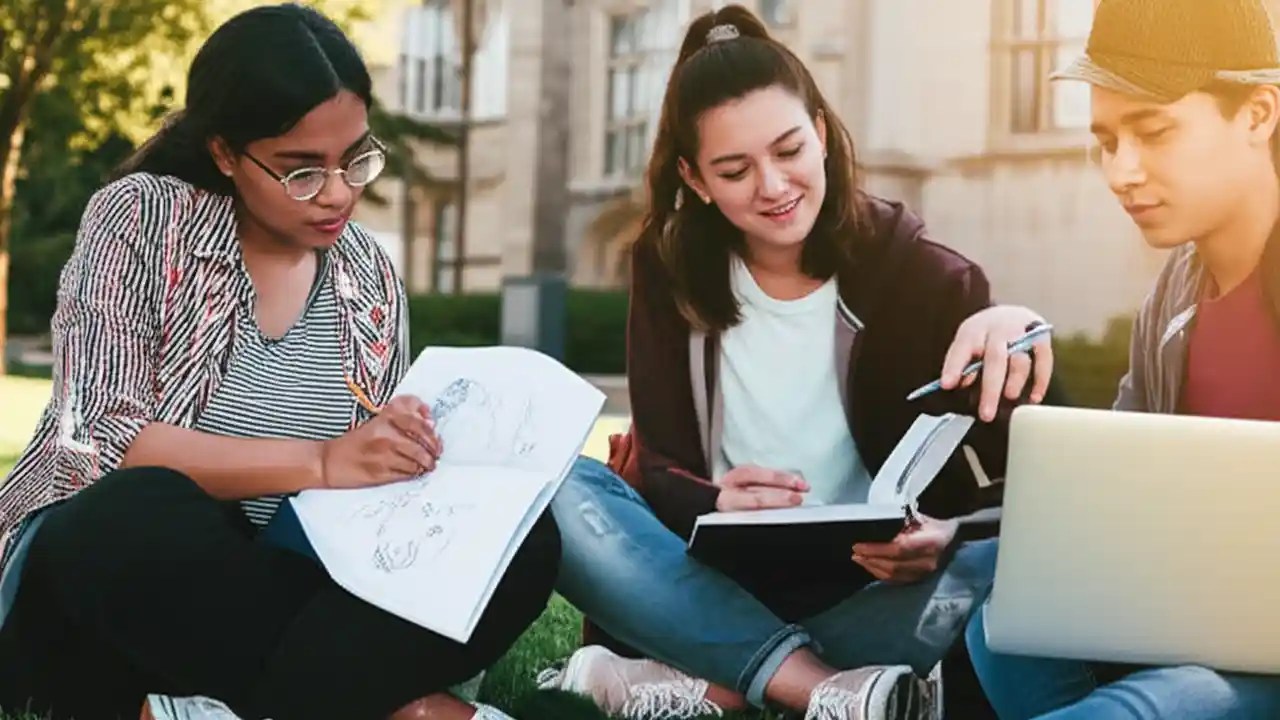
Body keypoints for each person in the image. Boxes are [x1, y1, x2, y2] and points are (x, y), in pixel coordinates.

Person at [0, 5, 559, 720]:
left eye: (356, 158)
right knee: (138, 509)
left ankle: (212, 707)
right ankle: (397, 708)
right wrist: (322, 461)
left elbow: (370, 498)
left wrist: (404, 448)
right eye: (302, 172)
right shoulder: (140, 217)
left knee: (526, 543)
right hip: (123, 574)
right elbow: (107, 438)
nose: (339, 193)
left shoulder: (370, 277)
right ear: (226, 153)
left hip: (288, 579)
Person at [537, 6, 1056, 720]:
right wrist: (716, 500)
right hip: (706, 586)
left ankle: (716, 685)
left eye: (789, 150)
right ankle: (822, 690)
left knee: (995, 568)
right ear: (694, 178)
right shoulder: (667, 271)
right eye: (735, 169)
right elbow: (657, 467)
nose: (774, 185)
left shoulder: (930, 279)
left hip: (876, 594)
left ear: (820, 130)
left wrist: (941, 540)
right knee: (561, 486)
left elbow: (1017, 492)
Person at [964, 0, 1280, 718]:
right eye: (1106, 140)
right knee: (1000, 621)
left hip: (1245, 654)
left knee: (1155, 705)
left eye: (1154, 132)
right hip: (1190, 625)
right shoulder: (1172, 298)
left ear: (1258, 113)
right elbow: (1109, 505)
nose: (1120, 172)